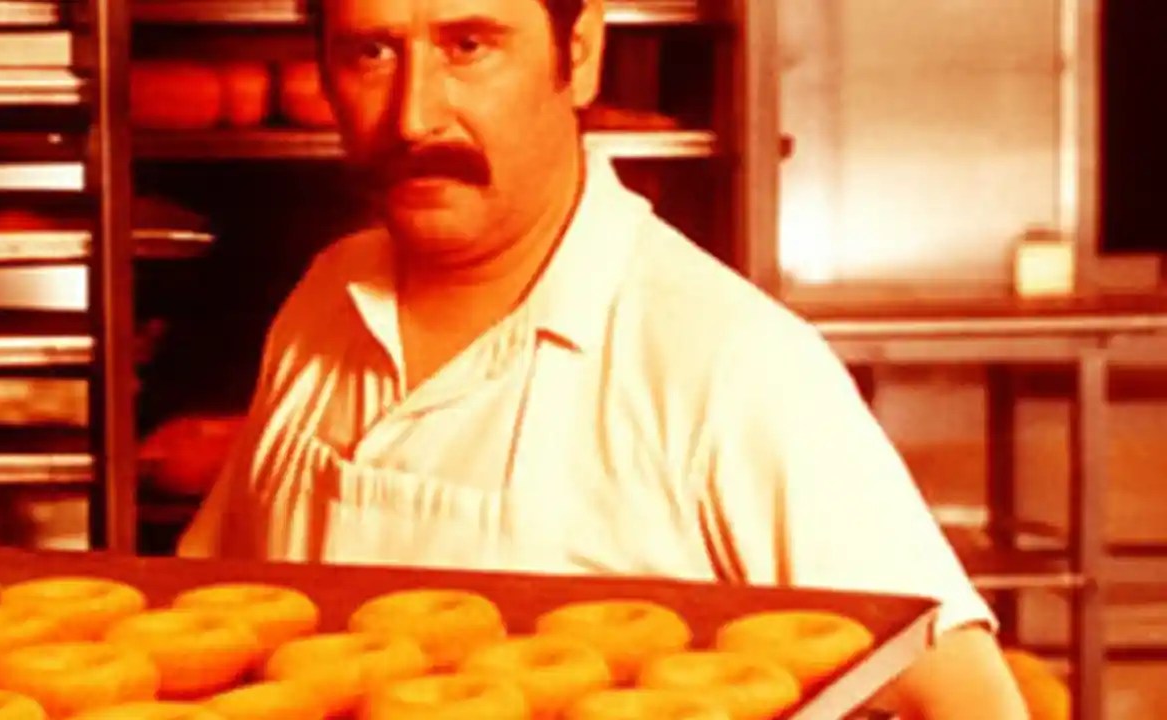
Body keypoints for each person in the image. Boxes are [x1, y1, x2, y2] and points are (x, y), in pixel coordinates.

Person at [176, 0, 1029, 716]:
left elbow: (966, 700)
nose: (414, 115)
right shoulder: (324, 303)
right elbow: (202, 611)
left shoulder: (726, 360)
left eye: (468, 47)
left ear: (577, 57)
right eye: (370, 53)